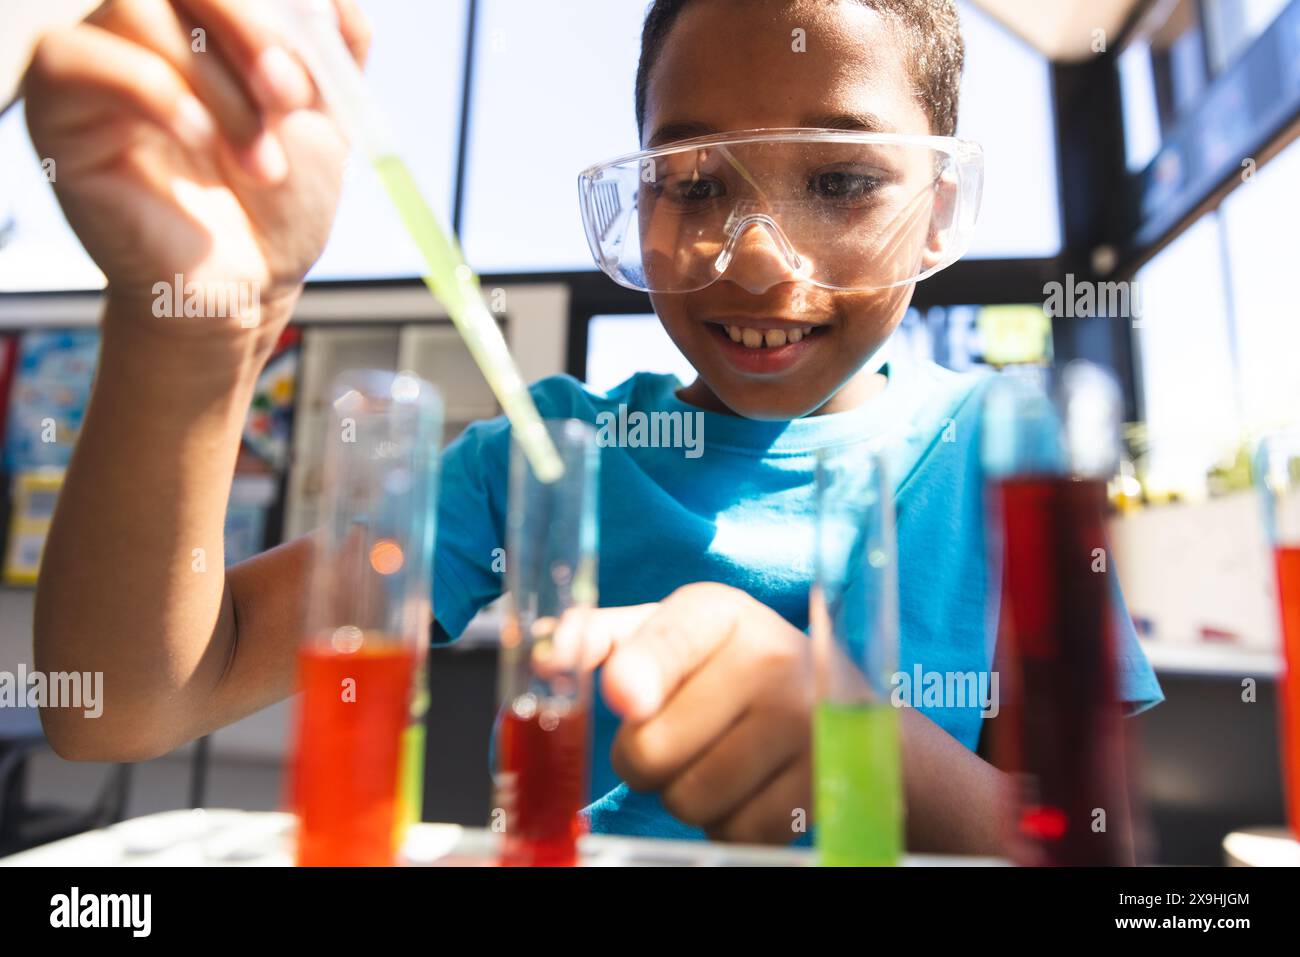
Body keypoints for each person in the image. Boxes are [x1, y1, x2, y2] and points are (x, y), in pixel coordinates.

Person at [27, 0, 1161, 854]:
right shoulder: (541, 458)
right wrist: (196, 326)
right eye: (699, 185)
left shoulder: (1012, 475)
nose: (759, 258)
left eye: (841, 179)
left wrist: (866, 748)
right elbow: (124, 702)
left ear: (938, 214)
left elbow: (1105, 848)